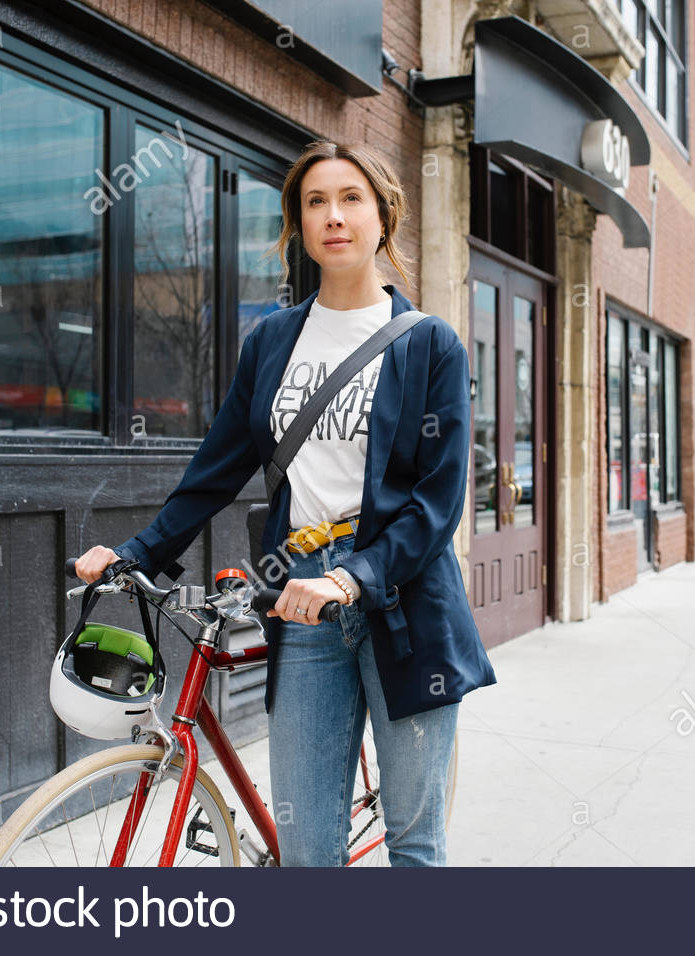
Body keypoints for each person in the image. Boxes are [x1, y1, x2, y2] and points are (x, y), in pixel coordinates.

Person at [74, 141, 497, 866]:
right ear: (298, 225)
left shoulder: (431, 345)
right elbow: (215, 470)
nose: (334, 215)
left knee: (415, 843)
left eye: (350, 198)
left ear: (383, 215)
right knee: (305, 850)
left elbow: (436, 503)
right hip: (300, 600)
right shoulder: (271, 340)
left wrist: (352, 577)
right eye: (315, 202)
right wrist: (136, 553)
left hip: (406, 603)